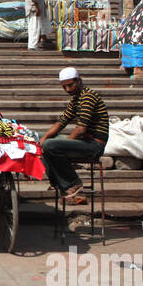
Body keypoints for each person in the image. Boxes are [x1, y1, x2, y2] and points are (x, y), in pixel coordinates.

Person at [40, 67, 109, 206]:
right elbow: (61, 123)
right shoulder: (76, 100)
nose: (68, 90)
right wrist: (43, 139)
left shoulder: (88, 97)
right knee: (43, 142)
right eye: (64, 87)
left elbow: (81, 130)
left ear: (79, 81)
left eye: (70, 85)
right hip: (84, 142)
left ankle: (73, 183)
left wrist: (63, 145)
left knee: (50, 146)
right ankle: (59, 184)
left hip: (94, 145)